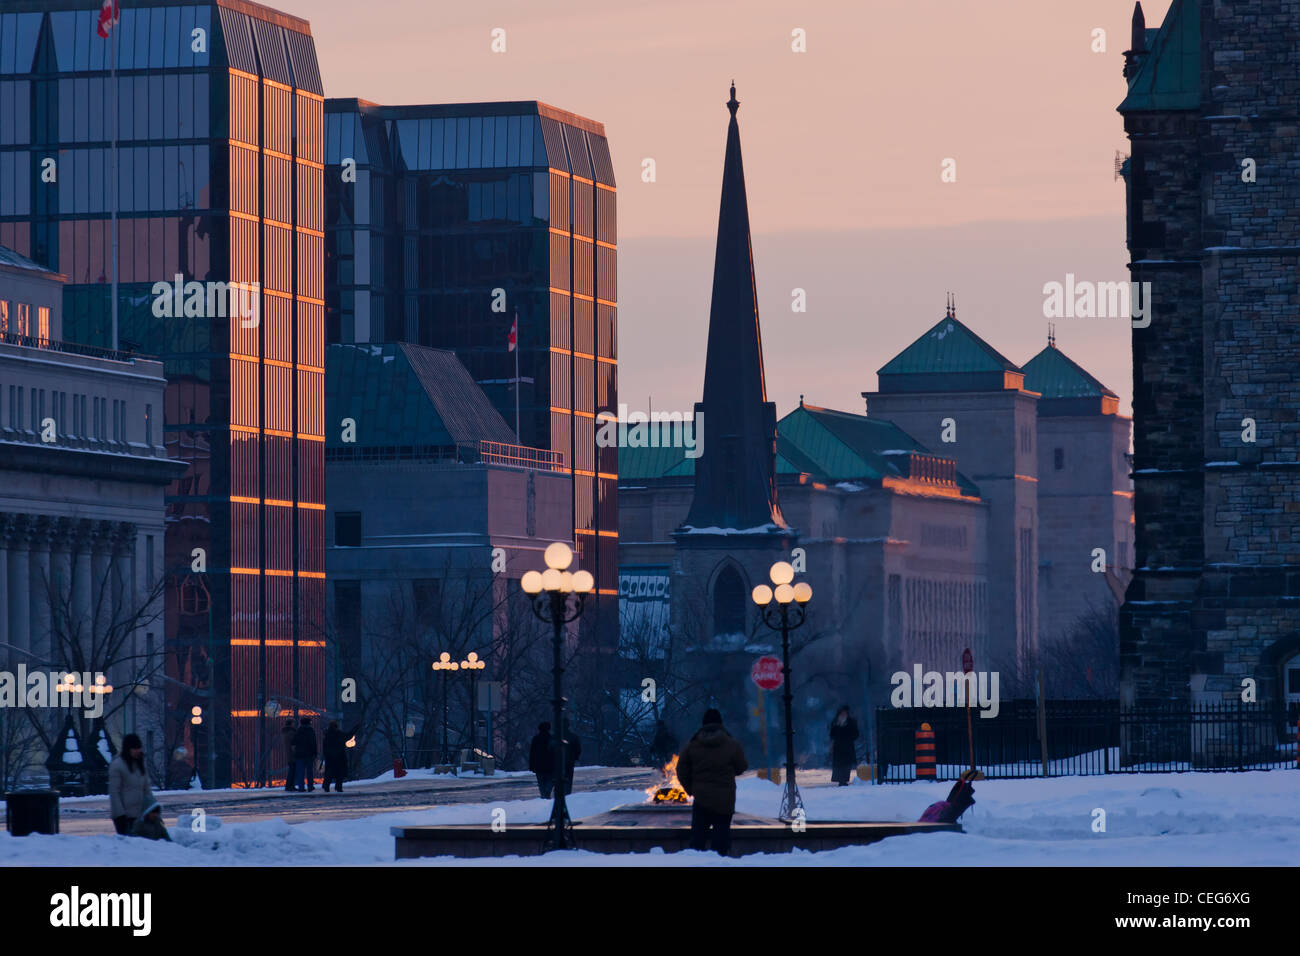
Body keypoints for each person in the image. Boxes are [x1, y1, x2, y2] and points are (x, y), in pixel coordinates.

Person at [677, 708, 748, 855]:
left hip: (701, 799)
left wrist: (690, 789)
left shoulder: (692, 745)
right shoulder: (732, 744)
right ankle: (720, 862)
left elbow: (681, 769)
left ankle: (698, 864)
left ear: (703, 724)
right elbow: (742, 766)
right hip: (725, 800)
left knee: (698, 840)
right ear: (720, 724)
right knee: (721, 840)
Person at [108, 733, 154, 836]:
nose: (138, 751)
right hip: (125, 816)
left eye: (139, 748)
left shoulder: (140, 764)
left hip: (141, 814)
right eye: (134, 748)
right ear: (128, 749)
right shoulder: (117, 766)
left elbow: (146, 789)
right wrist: (120, 815)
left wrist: (152, 808)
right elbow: (114, 792)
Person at [829, 705, 860, 786]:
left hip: (847, 747)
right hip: (838, 747)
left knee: (846, 765)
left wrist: (848, 737)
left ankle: (844, 780)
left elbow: (856, 734)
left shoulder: (851, 722)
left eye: (845, 712)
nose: (843, 714)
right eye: (842, 712)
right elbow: (832, 734)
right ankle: (840, 780)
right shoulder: (835, 722)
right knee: (839, 765)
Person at [321, 720, 353, 793]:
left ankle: (326, 786)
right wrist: (355, 729)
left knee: (329, 772)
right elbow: (348, 736)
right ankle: (338, 787)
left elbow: (325, 746)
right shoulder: (339, 734)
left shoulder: (327, 735)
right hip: (340, 756)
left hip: (330, 757)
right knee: (340, 773)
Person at [292, 717, 318, 792]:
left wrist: (295, 752)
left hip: (299, 754)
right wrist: (315, 753)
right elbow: (313, 743)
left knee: (300, 772)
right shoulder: (311, 731)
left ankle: (301, 787)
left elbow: (293, 743)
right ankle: (310, 786)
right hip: (309, 754)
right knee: (310, 771)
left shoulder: (298, 731)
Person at [528, 722, 554, 798]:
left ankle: (543, 794)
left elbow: (532, 753)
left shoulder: (536, 739)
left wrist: (531, 765)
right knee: (550, 779)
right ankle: (547, 791)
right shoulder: (551, 738)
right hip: (550, 764)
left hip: (538, 764)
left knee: (541, 781)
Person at [558, 719, 582, 795]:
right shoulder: (573, 736)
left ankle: (560, 793)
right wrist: (575, 757)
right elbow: (578, 749)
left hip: (558, 761)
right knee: (569, 777)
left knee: (558, 777)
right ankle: (567, 793)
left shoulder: (555, 736)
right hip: (569, 761)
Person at [280, 717, 298, 791]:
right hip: (292, 754)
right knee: (292, 771)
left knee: (292, 770)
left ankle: (289, 786)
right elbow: (293, 744)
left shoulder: (285, 732)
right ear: (291, 723)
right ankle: (290, 786)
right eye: (293, 723)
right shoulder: (291, 732)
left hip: (288, 754)